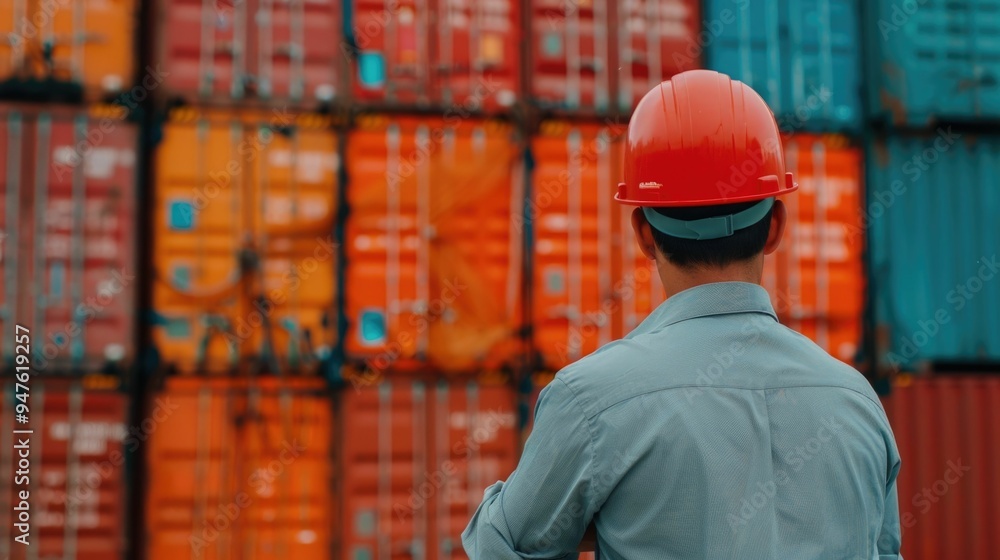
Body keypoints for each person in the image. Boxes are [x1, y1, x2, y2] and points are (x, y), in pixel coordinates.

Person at [462, 70, 902, 559]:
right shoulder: (857, 403)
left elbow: (500, 547)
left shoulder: (592, 403)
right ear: (775, 227)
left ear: (644, 234)